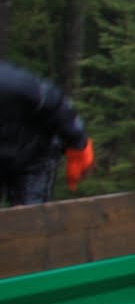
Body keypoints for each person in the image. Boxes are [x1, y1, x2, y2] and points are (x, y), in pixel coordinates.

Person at [1, 60, 94, 206]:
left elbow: (58, 105)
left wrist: (79, 145)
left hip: (34, 155)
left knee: (30, 218)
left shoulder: (15, 84)